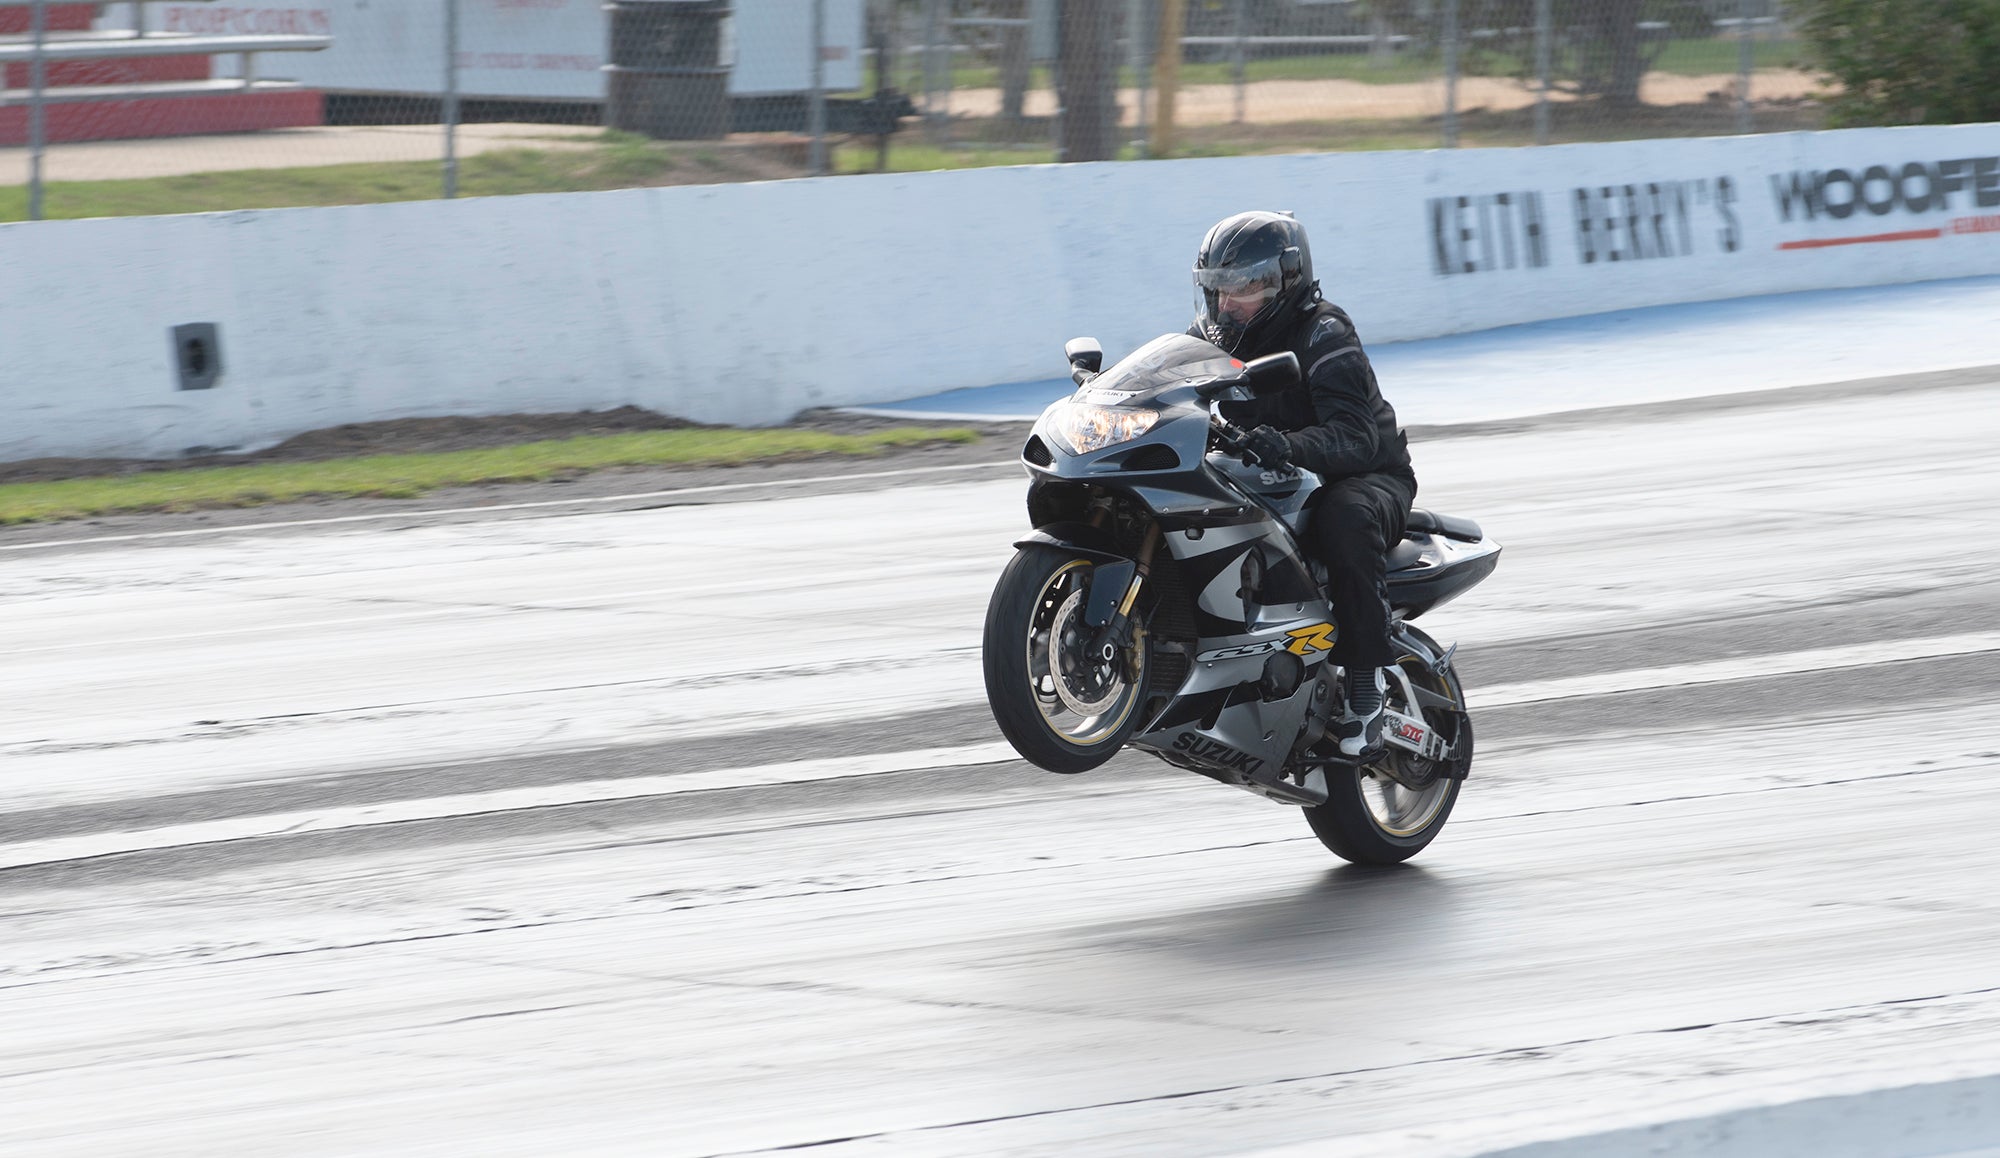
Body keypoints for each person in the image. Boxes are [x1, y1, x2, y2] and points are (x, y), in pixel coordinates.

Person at [1190, 210, 1417, 758]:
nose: (1226, 302)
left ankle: (1367, 691)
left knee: (1344, 516)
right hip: (1272, 477)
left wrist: (1288, 445)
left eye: (1241, 286)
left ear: (1284, 280)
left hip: (1364, 475)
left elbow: (1356, 436)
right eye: (1216, 287)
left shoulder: (1324, 330)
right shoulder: (1210, 336)